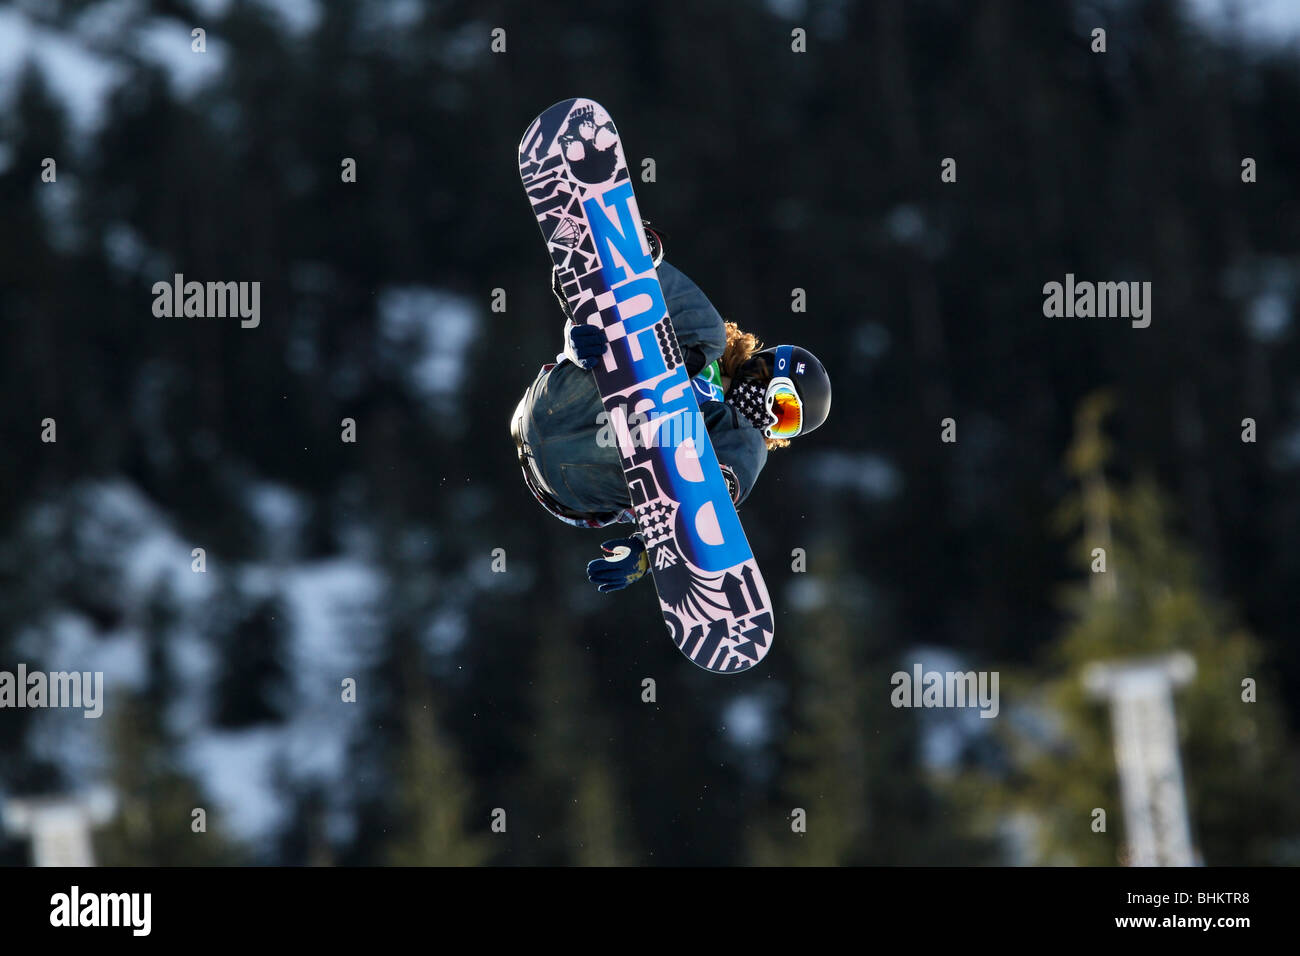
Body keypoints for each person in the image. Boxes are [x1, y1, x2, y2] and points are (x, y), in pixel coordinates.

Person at [510, 231, 830, 593]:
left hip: (578, 485)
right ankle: (621, 263)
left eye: (786, 423)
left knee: (745, 444)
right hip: (561, 402)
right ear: (764, 366)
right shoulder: (697, 345)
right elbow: (593, 341)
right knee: (709, 337)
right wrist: (578, 340)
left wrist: (650, 548)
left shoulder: (737, 443)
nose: (771, 418)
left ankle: (696, 513)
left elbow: (742, 443)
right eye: (782, 402)